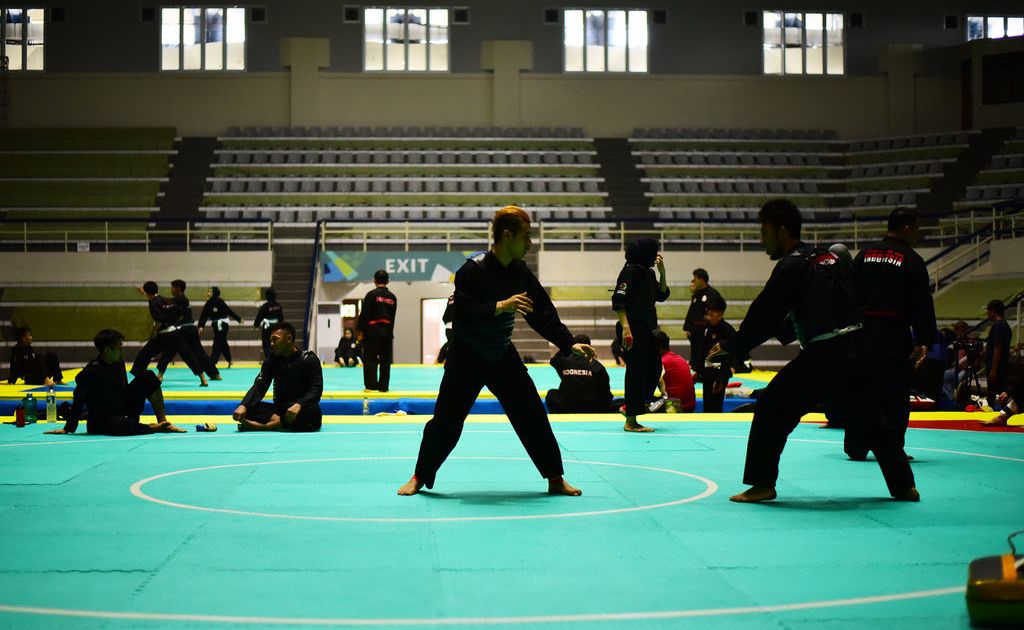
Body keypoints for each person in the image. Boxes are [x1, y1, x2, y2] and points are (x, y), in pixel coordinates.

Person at [708, 199, 918, 503]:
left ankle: (762, 484)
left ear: (781, 231)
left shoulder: (792, 264)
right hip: (858, 348)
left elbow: (764, 315)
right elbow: (828, 306)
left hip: (825, 354)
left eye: (764, 232)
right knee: (874, 419)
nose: (761, 240)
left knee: (770, 408)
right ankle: (903, 487)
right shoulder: (824, 258)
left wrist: (732, 347)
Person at [397, 205, 594, 497]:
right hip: (466, 357)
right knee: (446, 422)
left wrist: (568, 343)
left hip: (501, 354)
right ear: (506, 235)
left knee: (532, 415)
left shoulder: (520, 272)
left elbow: (542, 312)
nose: (530, 243)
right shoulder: (471, 270)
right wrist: (501, 305)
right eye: (525, 237)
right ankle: (419, 476)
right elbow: (456, 315)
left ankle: (555, 477)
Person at [845, 207, 936, 484]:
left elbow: (848, 293)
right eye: (916, 228)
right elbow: (922, 303)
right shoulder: (911, 260)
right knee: (894, 393)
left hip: (861, 333)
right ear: (907, 227)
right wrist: (923, 340)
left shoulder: (864, 255)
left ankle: (856, 446)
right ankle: (893, 448)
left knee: (861, 388)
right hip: (893, 334)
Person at [44, 329, 187, 436]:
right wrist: (68, 428)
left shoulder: (119, 362)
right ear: (107, 350)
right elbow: (78, 398)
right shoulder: (90, 372)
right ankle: (152, 427)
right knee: (119, 424)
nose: (121, 351)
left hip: (121, 407)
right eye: (119, 347)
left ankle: (163, 422)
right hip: (103, 418)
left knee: (148, 376)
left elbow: (125, 390)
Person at [613, 237, 670, 432]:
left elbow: (661, 295)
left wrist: (662, 273)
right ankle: (631, 420)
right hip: (633, 328)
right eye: (654, 252)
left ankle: (631, 406)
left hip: (647, 329)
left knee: (654, 368)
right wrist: (626, 329)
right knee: (636, 371)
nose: (656, 256)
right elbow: (619, 299)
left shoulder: (647, 272)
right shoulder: (630, 270)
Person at [232, 322, 323, 432]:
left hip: (302, 408)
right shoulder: (271, 361)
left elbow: (316, 389)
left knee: (312, 413)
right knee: (248, 409)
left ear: (289, 339)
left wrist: (300, 404)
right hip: (280, 410)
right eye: (271, 340)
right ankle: (280, 422)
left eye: (275, 339)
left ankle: (265, 426)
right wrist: (244, 405)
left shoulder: (309, 359)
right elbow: (260, 386)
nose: (271, 344)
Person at [130, 281, 208, 387]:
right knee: (187, 355)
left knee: (144, 354)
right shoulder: (165, 300)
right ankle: (203, 379)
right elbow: (174, 310)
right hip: (175, 333)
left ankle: (138, 376)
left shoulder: (154, 303)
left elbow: (159, 321)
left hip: (164, 335)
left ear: (148, 293)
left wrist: (153, 334)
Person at [156, 280, 221, 382]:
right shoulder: (179, 300)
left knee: (172, 351)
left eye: (173, 287)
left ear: (178, 288)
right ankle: (214, 374)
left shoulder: (181, 300)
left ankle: (160, 374)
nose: (171, 290)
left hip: (187, 330)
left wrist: (155, 297)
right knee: (192, 352)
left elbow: (166, 302)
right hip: (187, 329)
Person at [545, 334, 617, 413]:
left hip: (567, 406)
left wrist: (569, 346)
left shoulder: (563, 362)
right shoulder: (598, 366)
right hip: (592, 407)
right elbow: (606, 392)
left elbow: (554, 360)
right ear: (590, 347)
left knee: (551, 394)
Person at [356, 270, 397, 392]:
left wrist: (360, 331)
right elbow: (392, 317)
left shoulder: (371, 295)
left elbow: (365, 314)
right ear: (388, 281)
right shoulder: (392, 297)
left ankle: (371, 386)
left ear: (374, 281)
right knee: (386, 360)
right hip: (387, 332)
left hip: (372, 332)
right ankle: (384, 387)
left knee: (370, 359)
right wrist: (389, 332)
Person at [699, 299, 740, 413]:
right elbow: (702, 351)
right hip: (708, 371)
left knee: (716, 404)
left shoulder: (727, 330)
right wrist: (698, 370)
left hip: (721, 370)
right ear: (708, 313)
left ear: (722, 314)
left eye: (717, 316)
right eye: (711, 315)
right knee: (707, 404)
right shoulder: (706, 329)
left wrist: (724, 375)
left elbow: (734, 352)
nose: (714, 318)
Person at [683, 268, 723, 380]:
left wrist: (710, 318)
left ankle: (705, 374)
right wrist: (687, 328)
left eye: (695, 278)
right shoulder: (697, 294)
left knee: (704, 352)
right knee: (695, 353)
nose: (693, 281)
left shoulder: (712, 293)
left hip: (705, 331)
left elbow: (720, 307)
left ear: (701, 279)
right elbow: (692, 312)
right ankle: (695, 373)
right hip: (695, 331)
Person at [198, 286, 243, 368]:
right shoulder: (208, 303)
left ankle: (212, 362)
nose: (208, 293)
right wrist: (201, 326)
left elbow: (229, 311)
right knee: (222, 342)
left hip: (223, 324)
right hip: (216, 325)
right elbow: (204, 315)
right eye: (208, 291)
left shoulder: (220, 301)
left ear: (214, 293)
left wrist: (238, 319)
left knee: (217, 342)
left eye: (210, 292)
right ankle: (229, 360)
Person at [653, 330, 696, 413]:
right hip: (690, 406)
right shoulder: (679, 358)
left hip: (674, 406)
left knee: (644, 405)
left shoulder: (661, 363)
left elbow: (646, 391)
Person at [984, 299, 1012, 408]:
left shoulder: (998, 326)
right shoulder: (1005, 326)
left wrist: (993, 369)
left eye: (988, 311)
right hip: (1002, 366)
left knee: (994, 395)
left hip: (997, 367)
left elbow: (997, 347)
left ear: (992, 311)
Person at [254, 288, 284, 360]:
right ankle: (277, 360)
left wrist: (256, 324)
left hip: (267, 328)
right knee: (276, 343)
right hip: (277, 327)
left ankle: (269, 360)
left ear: (266, 296)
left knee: (267, 344)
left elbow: (260, 316)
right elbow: (281, 318)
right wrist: (282, 327)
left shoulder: (265, 306)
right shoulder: (278, 306)